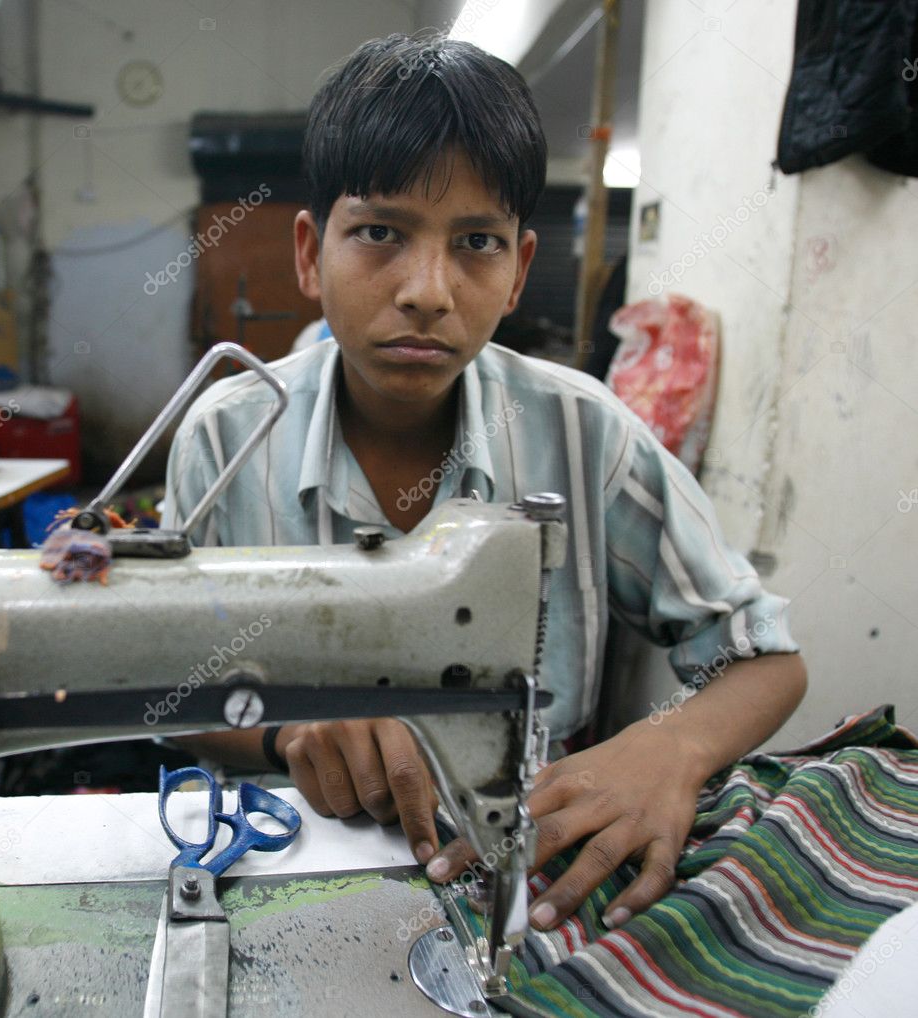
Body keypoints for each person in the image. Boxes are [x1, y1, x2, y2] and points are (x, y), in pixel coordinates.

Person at [162, 31, 806, 933]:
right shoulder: (227, 437)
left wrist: (670, 747)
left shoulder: (585, 436)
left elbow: (763, 657)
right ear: (310, 253)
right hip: (292, 854)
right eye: (380, 232)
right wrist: (284, 733)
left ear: (517, 274)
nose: (428, 289)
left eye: (475, 242)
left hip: (524, 857)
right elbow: (170, 688)